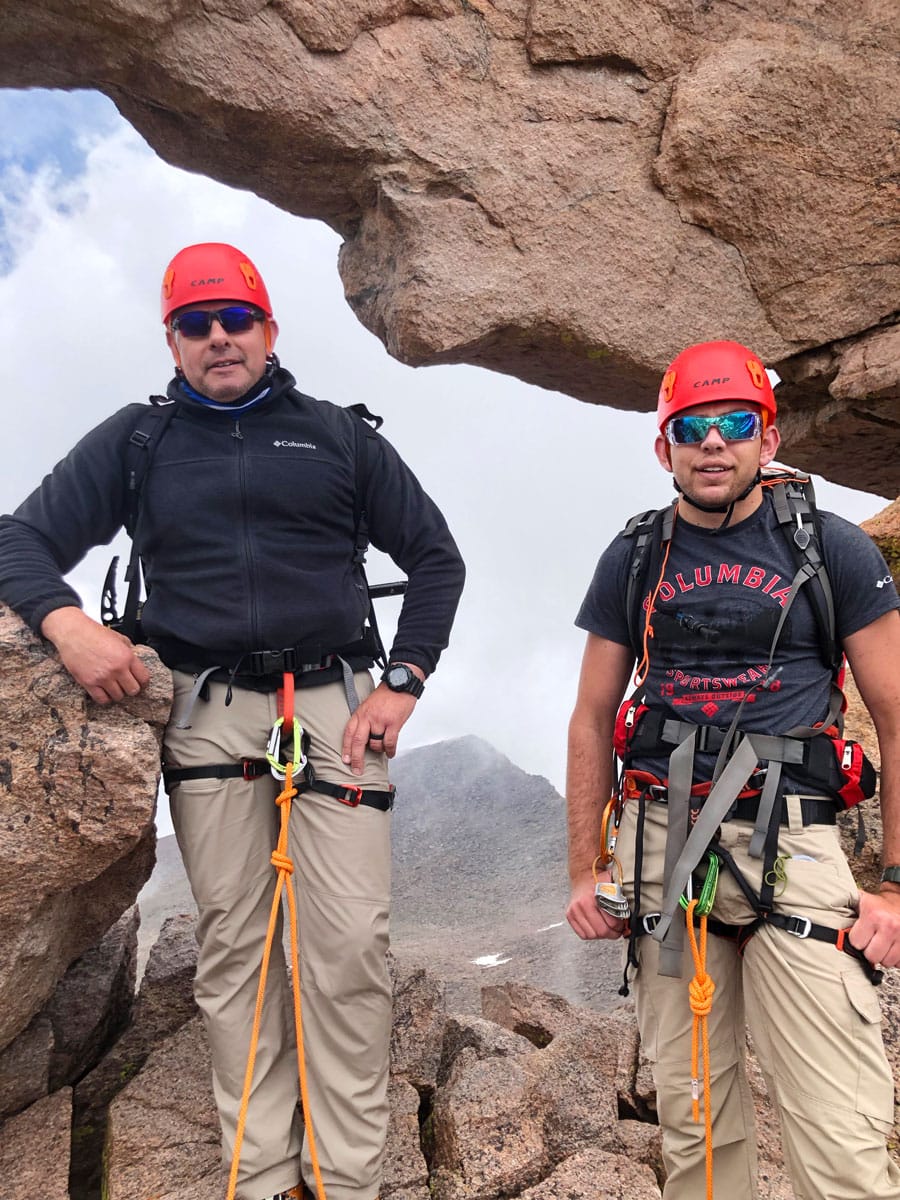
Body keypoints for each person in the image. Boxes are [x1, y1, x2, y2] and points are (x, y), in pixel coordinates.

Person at [0, 242, 465, 1200]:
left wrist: (403, 682)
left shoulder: (338, 436)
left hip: (338, 707)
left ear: (268, 330)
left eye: (235, 320)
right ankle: (260, 1181)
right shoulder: (140, 440)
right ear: (172, 341)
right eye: (195, 324)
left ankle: (350, 1184)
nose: (218, 339)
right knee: (236, 952)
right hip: (207, 715)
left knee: (346, 951)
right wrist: (69, 625)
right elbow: (18, 538)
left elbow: (436, 559)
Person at [565, 339, 900, 1199]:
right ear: (664, 445)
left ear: (768, 436)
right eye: (693, 426)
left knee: (841, 1135)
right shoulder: (636, 555)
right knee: (696, 1130)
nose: (713, 442)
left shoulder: (831, 550)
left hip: (796, 845)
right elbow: (592, 718)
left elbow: (899, 719)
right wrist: (581, 870)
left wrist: (895, 888)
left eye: (733, 424)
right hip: (661, 851)